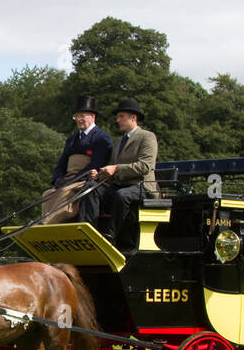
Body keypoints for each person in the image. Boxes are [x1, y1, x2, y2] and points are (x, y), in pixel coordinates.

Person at [92, 99, 158, 248]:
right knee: (93, 191)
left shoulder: (147, 137)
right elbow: (111, 168)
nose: (118, 120)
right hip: (121, 185)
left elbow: (145, 166)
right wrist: (99, 174)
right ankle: (90, 230)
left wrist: (116, 169)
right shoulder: (119, 142)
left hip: (142, 186)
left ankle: (110, 235)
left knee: (122, 196)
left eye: (121, 116)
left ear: (133, 118)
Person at [40, 96, 112, 224]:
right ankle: (44, 220)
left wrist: (73, 180)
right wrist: (57, 179)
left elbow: (96, 164)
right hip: (68, 178)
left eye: (82, 116)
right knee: (48, 194)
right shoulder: (72, 139)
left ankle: (49, 222)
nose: (79, 119)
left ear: (92, 117)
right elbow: (62, 162)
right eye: (77, 116)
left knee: (65, 192)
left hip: (85, 178)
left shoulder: (102, 138)